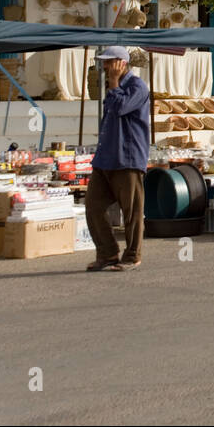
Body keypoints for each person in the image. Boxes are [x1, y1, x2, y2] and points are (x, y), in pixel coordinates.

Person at [84, 46, 149, 272]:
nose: (105, 67)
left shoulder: (137, 87)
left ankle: (132, 256)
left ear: (121, 63)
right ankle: (108, 252)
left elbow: (120, 107)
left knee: (131, 211)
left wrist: (114, 82)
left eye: (109, 63)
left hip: (127, 158)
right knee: (93, 206)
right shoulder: (112, 86)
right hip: (105, 158)